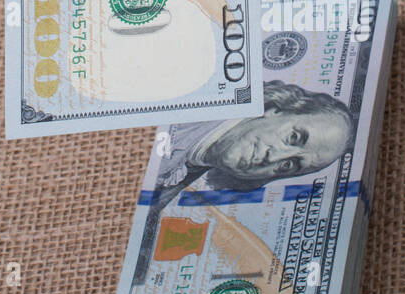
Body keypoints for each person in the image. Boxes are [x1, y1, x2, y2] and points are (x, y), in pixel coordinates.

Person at [149, 80, 353, 216]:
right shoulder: (196, 92)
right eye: (293, 138)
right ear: (275, 109)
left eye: (289, 165)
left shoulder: (172, 189)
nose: (273, 158)